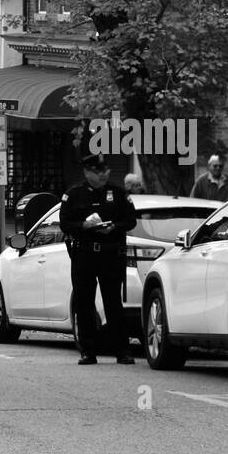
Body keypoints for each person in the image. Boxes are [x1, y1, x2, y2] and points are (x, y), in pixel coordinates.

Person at [59, 153, 138, 365]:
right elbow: (65, 224)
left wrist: (115, 227)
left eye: (105, 171)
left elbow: (130, 220)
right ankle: (87, 351)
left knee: (113, 302)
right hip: (84, 253)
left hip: (110, 252)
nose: (103, 175)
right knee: (84, 303)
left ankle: (122, 351)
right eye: (97, 172)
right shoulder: (73, 195)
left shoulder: (118, 193)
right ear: (87, 172)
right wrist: (83, 226)